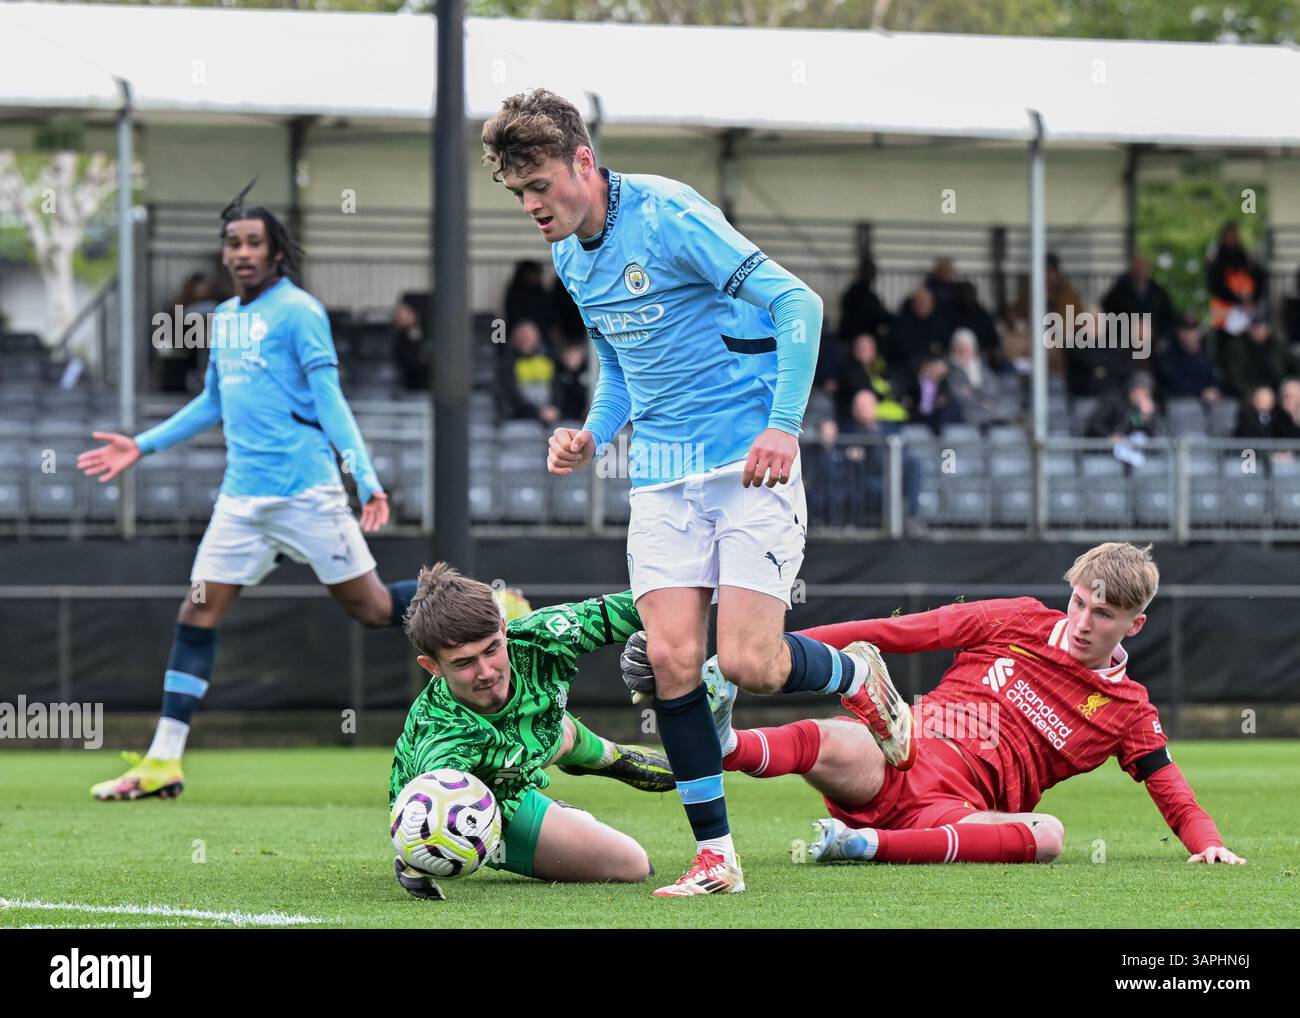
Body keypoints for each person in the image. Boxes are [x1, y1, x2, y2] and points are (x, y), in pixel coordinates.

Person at [482, 88, 881, 896]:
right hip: (661, 475)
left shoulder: (670, 213)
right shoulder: (566, 254)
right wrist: (593, 432)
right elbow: (622, 368)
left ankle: (852, 677)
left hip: (746, 464)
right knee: (670, 658)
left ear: (583, 164)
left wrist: (784, 423)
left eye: (540, 188)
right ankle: (716, 857)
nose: (531, 207)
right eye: (518, 194)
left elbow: (797, 302)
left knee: (749, 663)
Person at [78, 185, 415, 801]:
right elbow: (211, 401)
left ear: (276, 252)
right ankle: (163, 761)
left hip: (306, 491)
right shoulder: (224, 319)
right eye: (233, 243)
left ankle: (491, 607)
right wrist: (141, 445)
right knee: (197, 611)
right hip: (240, 502)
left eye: (254, 242)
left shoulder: (300, 312)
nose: (242, 253)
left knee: (369, 609)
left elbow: (329, 400)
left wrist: (362, 476)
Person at [624, 542, 1247, 867]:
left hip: (961, 813)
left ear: (1133, 626)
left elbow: (1170, 786)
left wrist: (1207, 841)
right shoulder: (1017, 618)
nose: (1082, 621)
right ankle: (720, 745)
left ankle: (861, 847)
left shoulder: (1128, 709)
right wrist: (777, 648)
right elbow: (901, 633)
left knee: (1050, 838)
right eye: (1079, 601)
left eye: (1103, 614)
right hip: (903, 750)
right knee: (838, 736)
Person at [389, 565, 673, 896]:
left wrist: (664, 642)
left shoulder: (543, 635)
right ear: (432, 666)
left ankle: (599, 754)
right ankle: (568, 783)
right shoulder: (441, 740)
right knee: (633, 866)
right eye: (464, 663)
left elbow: (649, 605)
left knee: (541, 727)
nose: (486, 672)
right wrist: (419, 862)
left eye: (492, 648)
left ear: (504, 628)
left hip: (536, 737)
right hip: (493, 798)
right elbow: (432, 819)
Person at [498, 319, 560, 424]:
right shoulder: (508, 364)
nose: (525, 342)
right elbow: (510, 395)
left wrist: (556, 408)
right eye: (522, 339)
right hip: (521, 418)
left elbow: (557, 388)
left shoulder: (548, 360)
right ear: (515, 340)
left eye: (529, 339)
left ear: (537, 339)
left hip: (550, 415)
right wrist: (538, 412)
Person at [1102, 255, 1175, 341]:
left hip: (1153, 342)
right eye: (1138, 268)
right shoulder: (1119, 290)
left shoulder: (1158, 293)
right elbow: (1108, 311)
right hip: (1123, 340)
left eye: (1144, 268)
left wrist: (1156, 332)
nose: (1141, 271)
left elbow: (1168, 318)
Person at [1157, 312, 1220, 403]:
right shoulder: (1170, 353)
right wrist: (1202, 390)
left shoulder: (1205, 353)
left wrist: (1214, 388)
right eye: (1186, 330)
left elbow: (1214, 375)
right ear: (1179, 333)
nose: (1191, 335)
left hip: (1206, 398)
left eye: (1194, 330)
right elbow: (1174, 380)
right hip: (1179, 399)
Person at [1085, 371, 1162, 441]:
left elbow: (1145, 432)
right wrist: (1109, 436)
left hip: (1129, 447)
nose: (1141, 396)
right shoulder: (1113, 399)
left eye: (1145, 393)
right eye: (1138, 391)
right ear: (1131, 389)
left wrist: (1146, 416)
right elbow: (1095, 423)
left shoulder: (1142, 407)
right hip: (1103, 447)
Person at [838, 256, 892, 345]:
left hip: (849, 335)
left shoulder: (851, 292)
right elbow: (879, 315)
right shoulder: (866, 295)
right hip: (857, 338)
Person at [504, 259, 553, 340]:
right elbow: (513, 315)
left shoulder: (542, 293)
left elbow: (548, 314)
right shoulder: (515, 293)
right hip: (518, 331)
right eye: (533, 273)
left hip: (541, 333)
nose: (537, 277)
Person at [391, 292, 431, 392]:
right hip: (410, 388)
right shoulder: (400, 338)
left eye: (406, 311)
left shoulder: (429, 333)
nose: (400, 315)